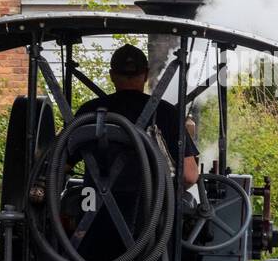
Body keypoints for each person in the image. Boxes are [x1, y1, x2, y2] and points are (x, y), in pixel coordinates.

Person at [76, 43, 200, 188]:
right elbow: (190, 176)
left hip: (93, 207)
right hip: (152, 209)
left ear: (112, 75)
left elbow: (59, 165)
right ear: (146, 75)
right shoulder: (167, 113)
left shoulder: (89, 111)